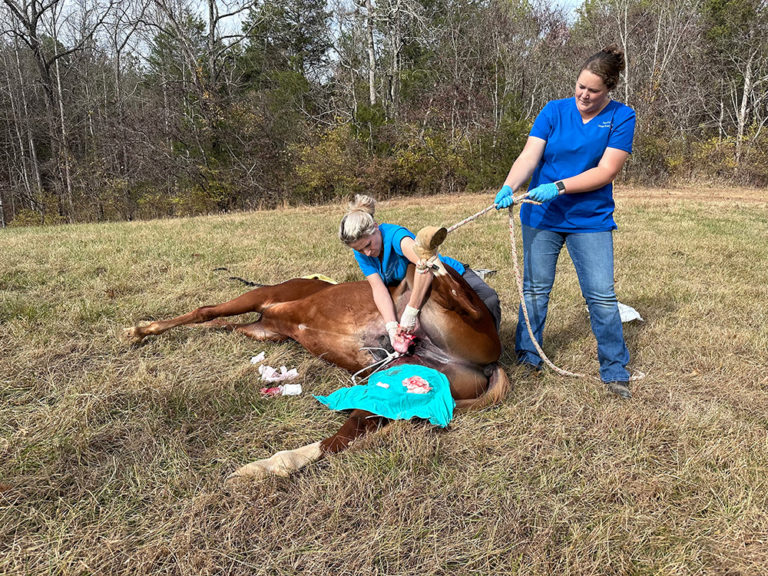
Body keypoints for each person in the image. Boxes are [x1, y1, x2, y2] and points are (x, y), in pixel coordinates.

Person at [494, 45, 636, 399]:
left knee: (601, 296)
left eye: (593, 91)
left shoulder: (622, 117)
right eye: (580, 87)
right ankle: (529, 357)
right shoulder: (554, 111)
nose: (584, 96)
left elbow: (605, 171)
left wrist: (558, 186)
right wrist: (510, 185)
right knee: (535, 290)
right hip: (541, 216)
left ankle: (614, 368)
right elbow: (530, 155)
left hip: (590, 219)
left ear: (609, 90)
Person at [339, 194, 501, 349]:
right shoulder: (362, 253)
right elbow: (378, 288)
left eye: (368, 245)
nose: (366, 253)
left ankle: (492, 340)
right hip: (414, 287)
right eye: (360, 250)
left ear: (375, 228)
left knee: (489, 299)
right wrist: (391, 326)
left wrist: (411, 312)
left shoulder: (397, 237)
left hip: (445, 274)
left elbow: (426, 265)